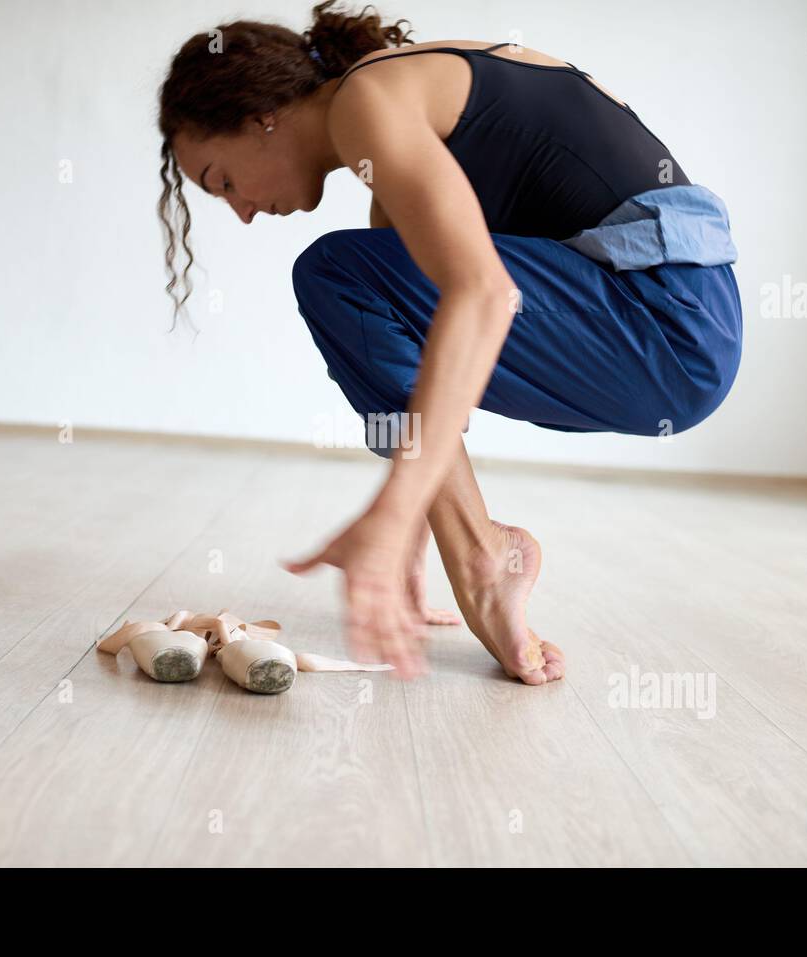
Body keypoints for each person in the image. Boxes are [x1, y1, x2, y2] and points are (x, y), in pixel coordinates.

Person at [155, 2, 742, 684]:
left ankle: (484, 560)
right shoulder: (389, 114)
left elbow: (486, 295)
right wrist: (410, 531)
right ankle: (483, 554)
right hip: (670, 331)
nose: (244, 212)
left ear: (261, 115)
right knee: (363, 279)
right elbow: (412, 357)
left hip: (666, 318)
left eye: (223, 181)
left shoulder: (367, 102)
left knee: (332, 271)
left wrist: (393, 510)